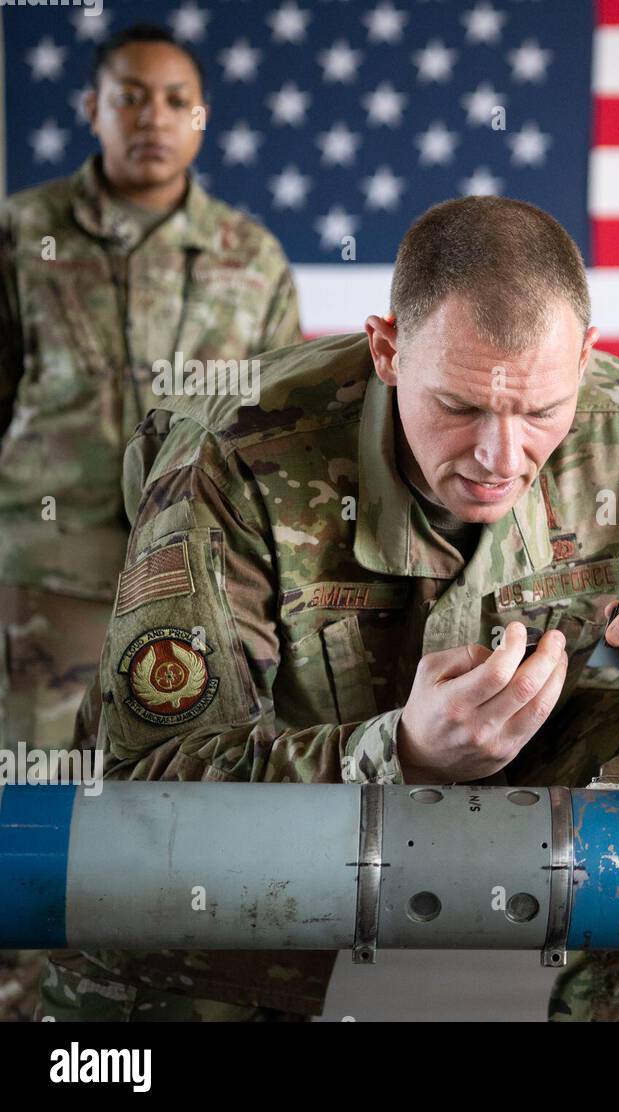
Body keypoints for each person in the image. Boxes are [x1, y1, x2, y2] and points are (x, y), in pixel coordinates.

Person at [41, 194, 619, 1022]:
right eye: (458, 407)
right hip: (242, 839)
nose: (501, 456)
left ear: (585, 356)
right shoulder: (234, 453)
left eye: (540, 411)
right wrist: (404, 751)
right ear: (387, 350)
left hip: (508, 778)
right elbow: (148, 784)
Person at [0, 24, 300, 1022]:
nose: (153, 118)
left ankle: (133, 1011)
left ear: (201, 118)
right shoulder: (21, 233)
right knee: (29, 807)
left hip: (196, 584)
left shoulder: (248, 256)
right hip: (47, 584)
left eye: (176, 99)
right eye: (131, 96)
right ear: (93, 108)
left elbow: (276, 435)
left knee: (164, 806)